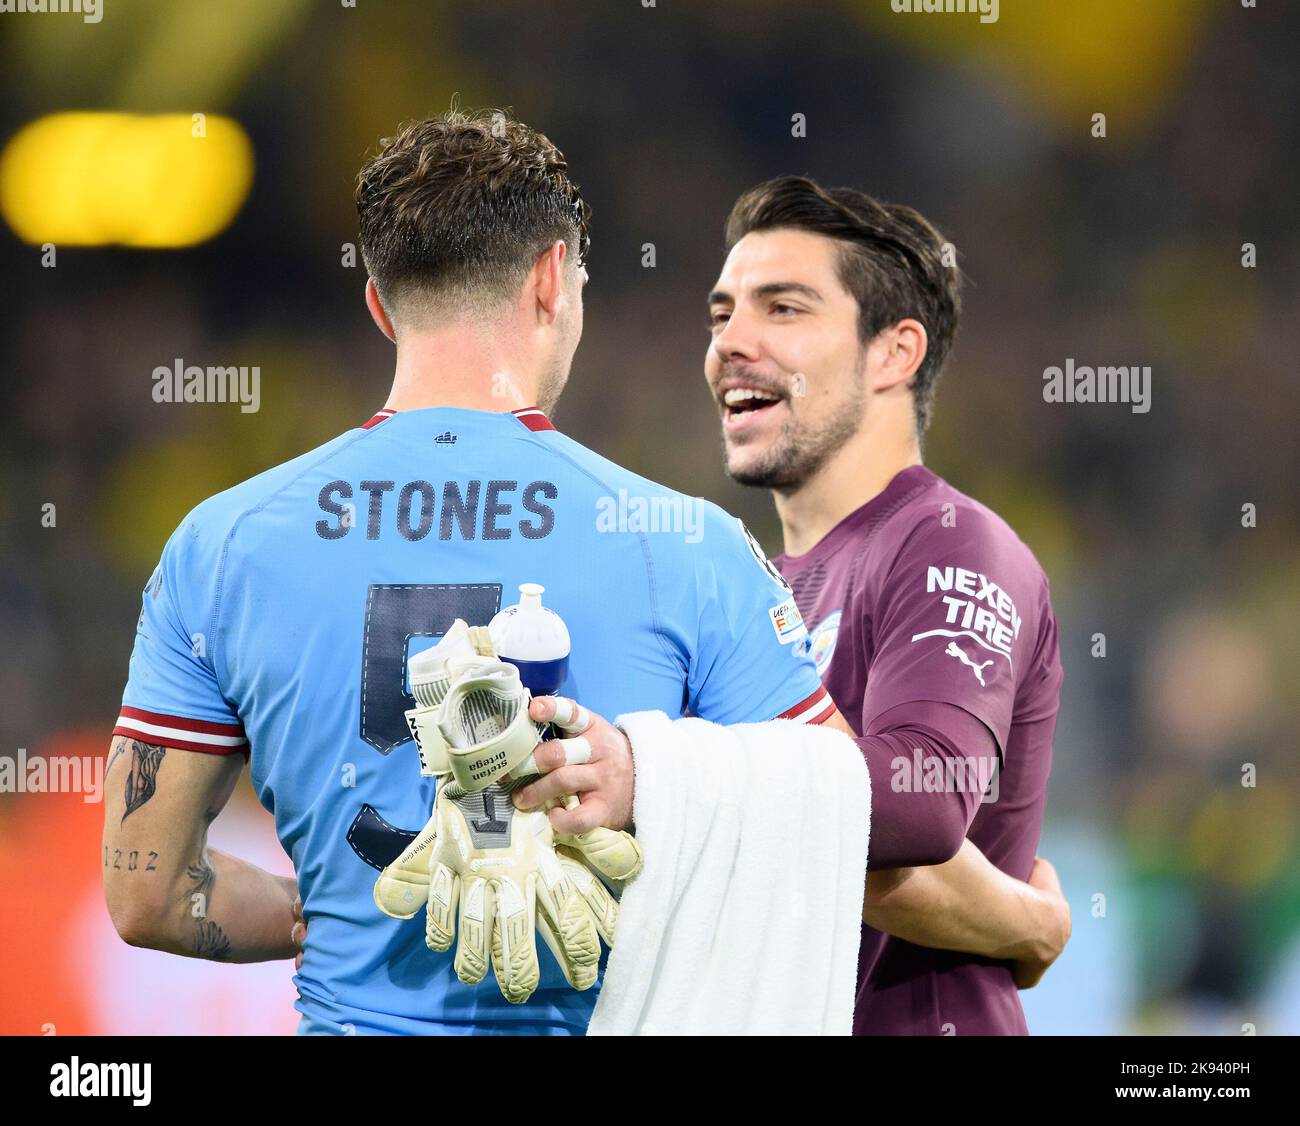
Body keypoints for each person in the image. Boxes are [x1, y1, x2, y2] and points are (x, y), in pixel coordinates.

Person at [103, 111, 1067, 1036]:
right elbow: (836, 817)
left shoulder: (221, 544)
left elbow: (145, 894)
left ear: (379, 302)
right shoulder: (684, 543)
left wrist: (335, 921)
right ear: (552, 282)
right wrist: (1028, 924)